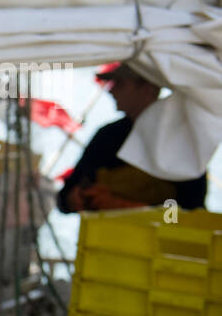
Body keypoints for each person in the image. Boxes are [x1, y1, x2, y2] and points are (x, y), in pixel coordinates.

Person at [57, 63, 207, 213]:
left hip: (159, 236)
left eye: (119, 84)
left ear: (148, 88)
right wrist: (74, 198)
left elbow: (192, 207)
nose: (111, 90)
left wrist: (122, 206)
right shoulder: (106, 137)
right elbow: (65, 196)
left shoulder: (180, 141)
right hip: (103, 235)